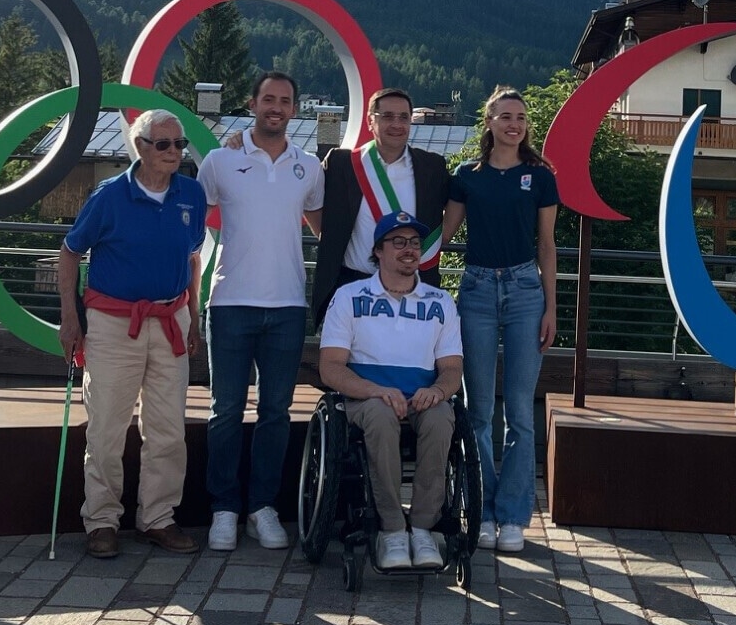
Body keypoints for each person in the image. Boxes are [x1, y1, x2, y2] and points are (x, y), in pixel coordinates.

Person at [56, 109, 206, 556]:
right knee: (106, 426)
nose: (174, 153)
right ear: (139, 147)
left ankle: (157, 519)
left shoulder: (191, 195)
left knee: (168, 428)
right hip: (112, 323)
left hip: (171, 319)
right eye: (163, 145)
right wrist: (70, 319)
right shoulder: (109, 196)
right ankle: (101, 521)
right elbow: (68, 256)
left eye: (179, 145)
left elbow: (192, 259)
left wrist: (194, 317)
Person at [197, 71, 324, 552]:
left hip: (289, 306)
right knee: (225, 411)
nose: (276, 106)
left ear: (295, 108)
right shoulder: (220, 159)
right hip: (229, 303)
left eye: (285, 100)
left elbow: (324, 227)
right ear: (252, 103)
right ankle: (224, 509)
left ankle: (262, 508)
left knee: (275, 412)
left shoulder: (309, 166)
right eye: (268, 98)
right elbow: (188, 218)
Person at [440, 87, 558, 554]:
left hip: (527, 292)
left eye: (521, 117)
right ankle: (482, 510)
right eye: (505, 116)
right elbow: (443, 235)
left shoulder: (540, 176)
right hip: (476, 291)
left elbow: (546, 245)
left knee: (520, 414)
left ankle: (513, 517)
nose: (515, 124)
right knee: (479, 411)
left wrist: (551, 306)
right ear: (488, 122)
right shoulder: (466, 176)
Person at [318, 211, 465, 571]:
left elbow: (452, 370)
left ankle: (423, 527)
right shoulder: (349, 297)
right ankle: (392, 528)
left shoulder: (441, 302)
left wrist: (439, 391)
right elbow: (331, 367)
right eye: (398, 242)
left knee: (442, 416)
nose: (408, 249)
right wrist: (375, 390)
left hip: (420, 397)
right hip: (364, 398)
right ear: (378, 251)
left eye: (414, 242)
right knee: (381, 417)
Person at [314, 88, 451, 318]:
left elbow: (465, 199)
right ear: (370, 121)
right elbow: (307, 199)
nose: (396, 124)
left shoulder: (432, 167)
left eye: (403, 117)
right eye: (387, 116)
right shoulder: (341, 164)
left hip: (412, 289)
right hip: (352, 286)